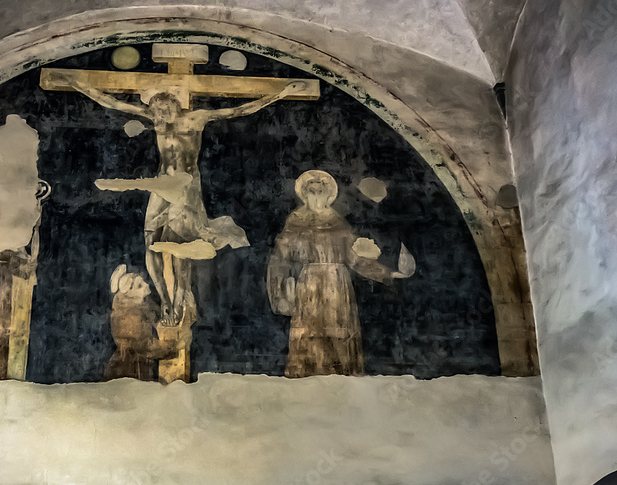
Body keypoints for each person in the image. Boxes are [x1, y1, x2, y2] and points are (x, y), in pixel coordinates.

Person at [63, 76, 308, 325]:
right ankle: (164, 301)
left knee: (179, 243)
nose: (160, 114)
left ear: (175, 104)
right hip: (161, 185)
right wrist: (75, 85)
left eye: (164, 108)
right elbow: (112, 103)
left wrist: (281, 94)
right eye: (156, 110)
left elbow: (238, 110)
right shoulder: (154, 118)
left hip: (185, 186)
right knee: (150, 240)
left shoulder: (196, 118)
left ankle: (179, 298)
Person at [267, 170, 415, 377]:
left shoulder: (338, 223)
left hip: (337, 283)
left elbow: (355, 258)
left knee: (338, 332)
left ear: (328, 195)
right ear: (305, 194)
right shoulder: (296, 221)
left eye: (320, 191)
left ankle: (341, 378)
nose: (316, 195)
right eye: (312, 191)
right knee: (310, 334)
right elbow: (279, 260)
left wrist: (387, 274)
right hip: (310, 283)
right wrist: (280, 294)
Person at [105, 264, 189, 380]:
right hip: (131, 368)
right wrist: (170, 346)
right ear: (129, 293)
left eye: (143, 282)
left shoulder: (140, 308)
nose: (146, 285)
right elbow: (146, 346)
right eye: (139, 286)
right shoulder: (129, 317)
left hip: (139, 363)